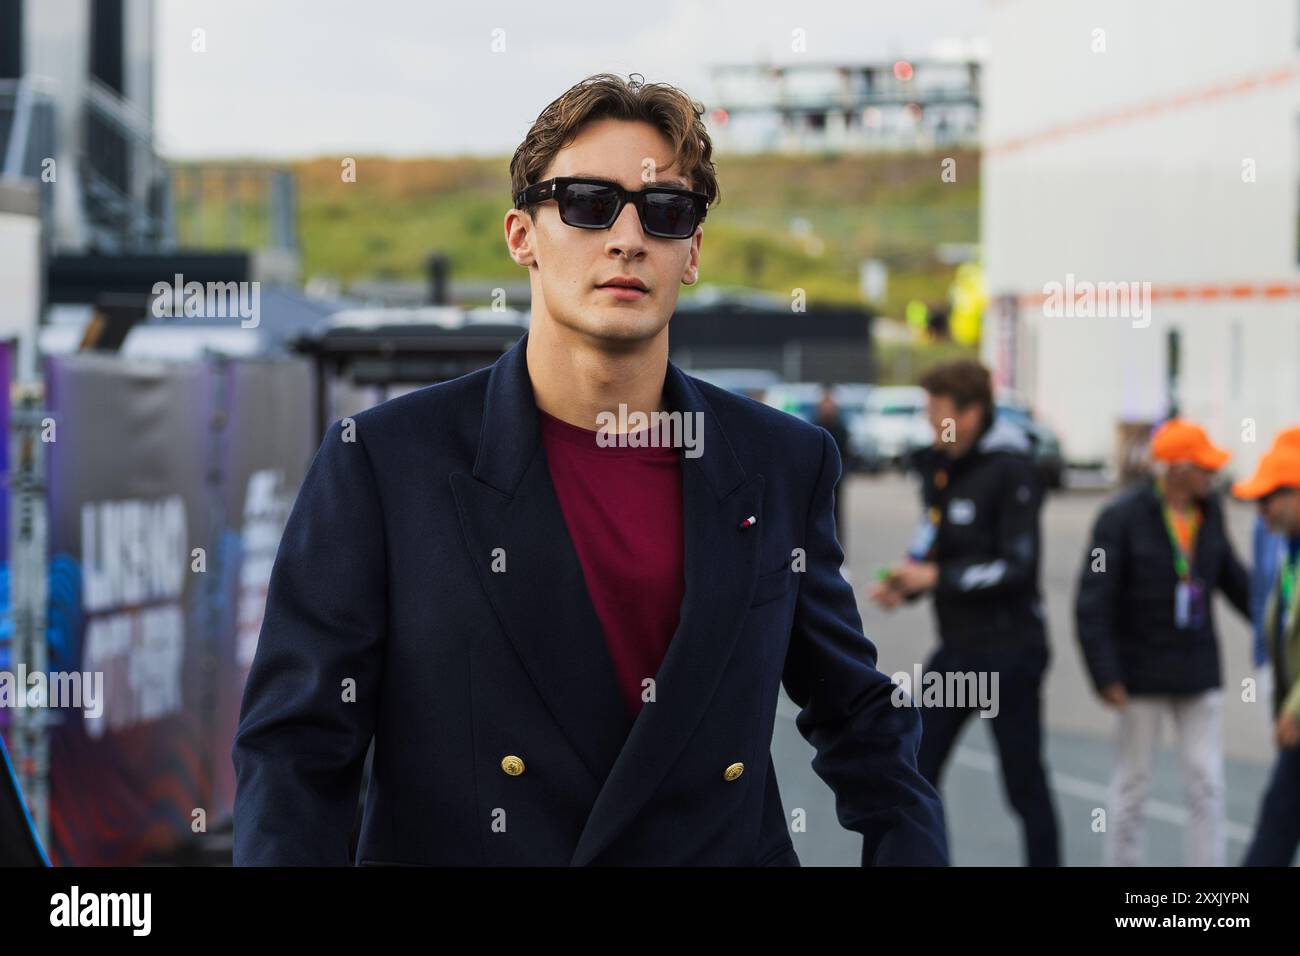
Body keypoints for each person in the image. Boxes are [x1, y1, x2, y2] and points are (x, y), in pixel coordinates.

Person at [231, 73, 947, 867]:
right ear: (521, 236)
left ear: (692, 252)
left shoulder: (780, 462)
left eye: (665, 210)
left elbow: (858, 715)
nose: (628, 237)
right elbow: (297, 752)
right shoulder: (385, 463)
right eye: (586, 203)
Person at [867, 359, 1061, 866]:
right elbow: (934, 540)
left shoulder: (1012, 471)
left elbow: (1016, 567)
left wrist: (936, 578)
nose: (931, 424)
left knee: (1023, 783)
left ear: (971, 414)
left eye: (938, 414)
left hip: (1011, 653)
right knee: (914, 768)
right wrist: (906, 582)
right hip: (958, 651)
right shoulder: (940, 466)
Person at [1074, 418, 1251, 866]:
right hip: (1139, 676)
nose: (1212, 475)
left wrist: (1277, 620)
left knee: (1206, 784)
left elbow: (1233, 579)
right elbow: (1092, 600)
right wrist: (1105, 674)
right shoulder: (1119, 518)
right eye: (1204, 467)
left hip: (1197, 671)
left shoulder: (1209, 513)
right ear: (1176, 469)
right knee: (1132, 786)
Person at [1233, 432, 1300, 865]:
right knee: (1276, 825)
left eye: (1267, 499)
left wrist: (1295, 708)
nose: (1260, 512)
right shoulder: (1288, 548)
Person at [814, 388, 850, 556]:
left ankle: (837, 549)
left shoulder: (840, 428)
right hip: (818, 479)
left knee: (837, 515)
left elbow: (847, 454)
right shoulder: (814, 426)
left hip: (837, 479)